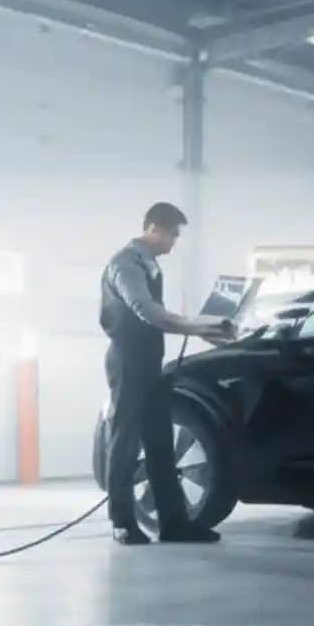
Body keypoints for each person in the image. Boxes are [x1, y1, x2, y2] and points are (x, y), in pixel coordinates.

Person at [100, 202, 233, 546]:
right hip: (128, 363)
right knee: (125, 442)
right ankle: (124, 524)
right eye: (172, 234)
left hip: (149, 362)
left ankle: (174, 524)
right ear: (153, 228)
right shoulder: (125, 265)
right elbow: (147, 312)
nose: (174, 242)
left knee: (160, 443)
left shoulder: (151, 266)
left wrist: (204, 329)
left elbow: (160, 317)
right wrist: (194, 324)